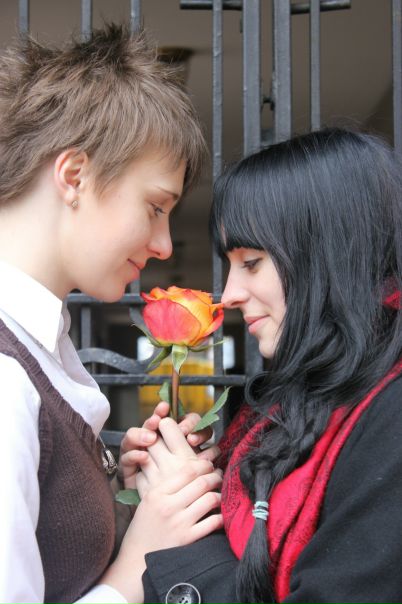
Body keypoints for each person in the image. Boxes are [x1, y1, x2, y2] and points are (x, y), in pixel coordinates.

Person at [0, 24, 223, 604]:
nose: (165, 245)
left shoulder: (40, 344)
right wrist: (139, 561)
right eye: (155, 207)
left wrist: (116, 497)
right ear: (74, 175)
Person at [136, 127, 402, 604]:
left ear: (327, 255)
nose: (230, 294)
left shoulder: (392, 414)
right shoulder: (308, 394)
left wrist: (183, 538)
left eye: (252, 262)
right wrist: (179, 490)